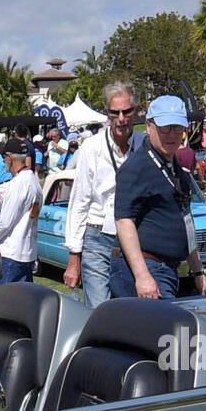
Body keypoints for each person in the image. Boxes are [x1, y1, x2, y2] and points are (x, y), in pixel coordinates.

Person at [111, 95, 206, 300]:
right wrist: (143, 276)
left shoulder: (178, 170)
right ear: (149, 126)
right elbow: (124, 222)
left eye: (177, 128)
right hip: (146, 270)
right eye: (165, 128)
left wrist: (199, 272)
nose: (172, 135)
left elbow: (186, 223)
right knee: (162, 330)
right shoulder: (135, 168)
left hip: (169, 270)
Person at [65, 80, 139, 308]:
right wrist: (74, 257)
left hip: (135, 237)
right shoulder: (92, 147)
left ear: (135, 112)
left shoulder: (145, 146)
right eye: (114, 112)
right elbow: (79, 201)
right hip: (98, 238)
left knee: (132, 309)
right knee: (99, 310)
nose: (121, 118)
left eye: (126, 111)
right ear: (107, 113)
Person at [0, 140, 41, 283]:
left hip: (12, 253)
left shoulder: (18, 183)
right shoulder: (33, 180)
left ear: (9, 158)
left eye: (4, 159)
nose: (3, 163)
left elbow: (5, 222)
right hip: (27, 251)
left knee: (4, 300)